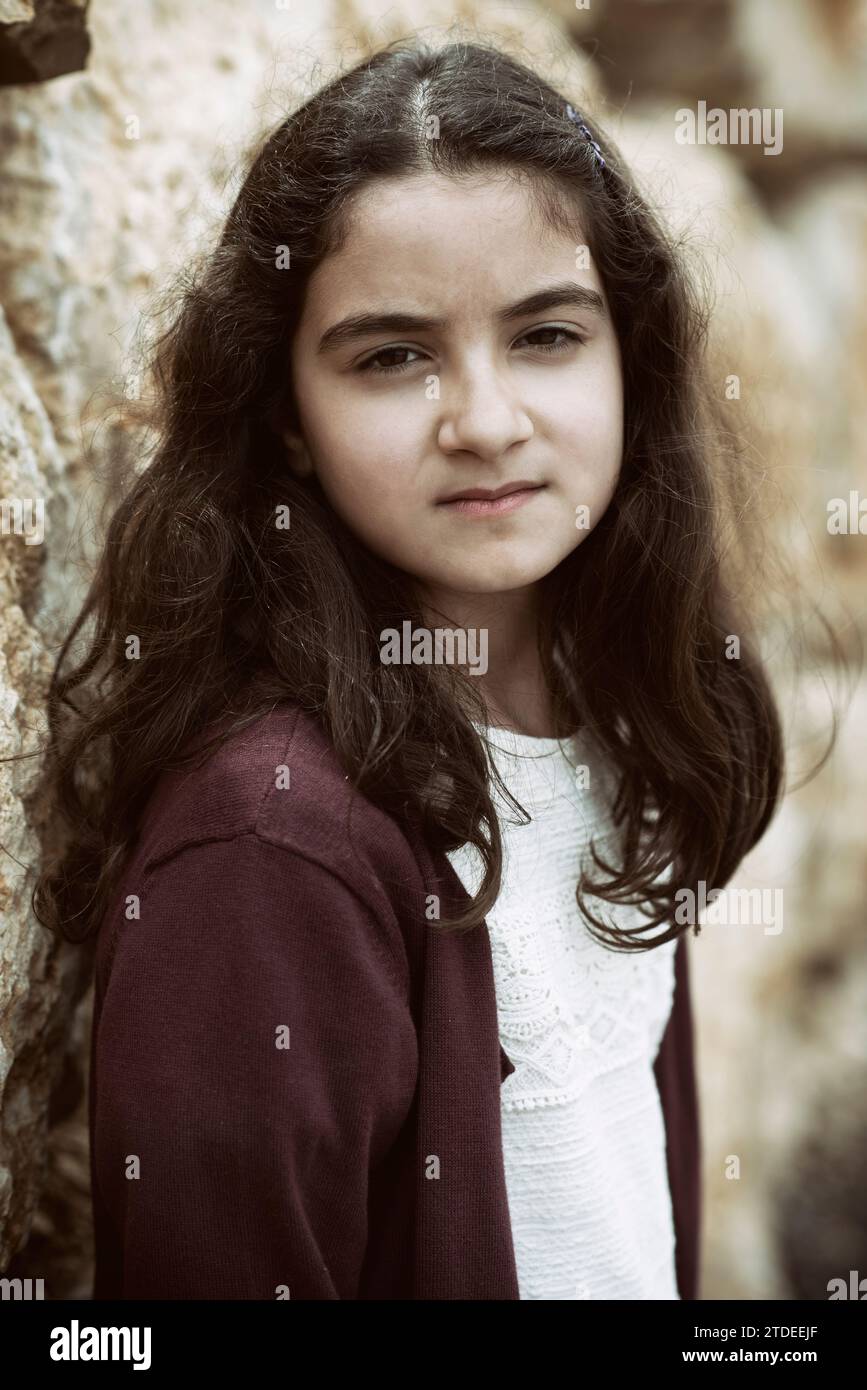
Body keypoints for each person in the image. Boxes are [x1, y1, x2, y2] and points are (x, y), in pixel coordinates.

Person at [26, 37, 794, 1299]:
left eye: (547, 335)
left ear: (630, 359)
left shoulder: (617, 716)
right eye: (393, 355)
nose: (485, 420)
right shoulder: (268, 851)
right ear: (285, 414)